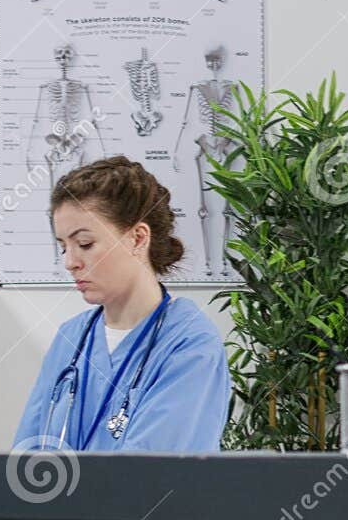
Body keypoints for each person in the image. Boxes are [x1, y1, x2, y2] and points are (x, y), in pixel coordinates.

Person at [13, 156, 230, 452]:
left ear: (138, 238)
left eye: (85, 244)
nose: (70, 262)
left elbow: (151, 475)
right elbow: (28, 452)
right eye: (63, 247)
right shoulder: (71, 338)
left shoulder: (190, 343)